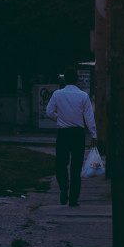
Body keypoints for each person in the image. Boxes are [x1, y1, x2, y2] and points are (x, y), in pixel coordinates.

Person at [45, 71, 97, 207]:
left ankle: (63, 186)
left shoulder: (57, 94)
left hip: (63, 133)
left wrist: (60, 118)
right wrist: (93, 134)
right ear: (77, 80)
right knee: (76, 167)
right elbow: (89, 117)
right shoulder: (83, 96)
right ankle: (74, 199)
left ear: (64, 80)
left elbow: (49, 112)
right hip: (78, 134)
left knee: (61, 163)